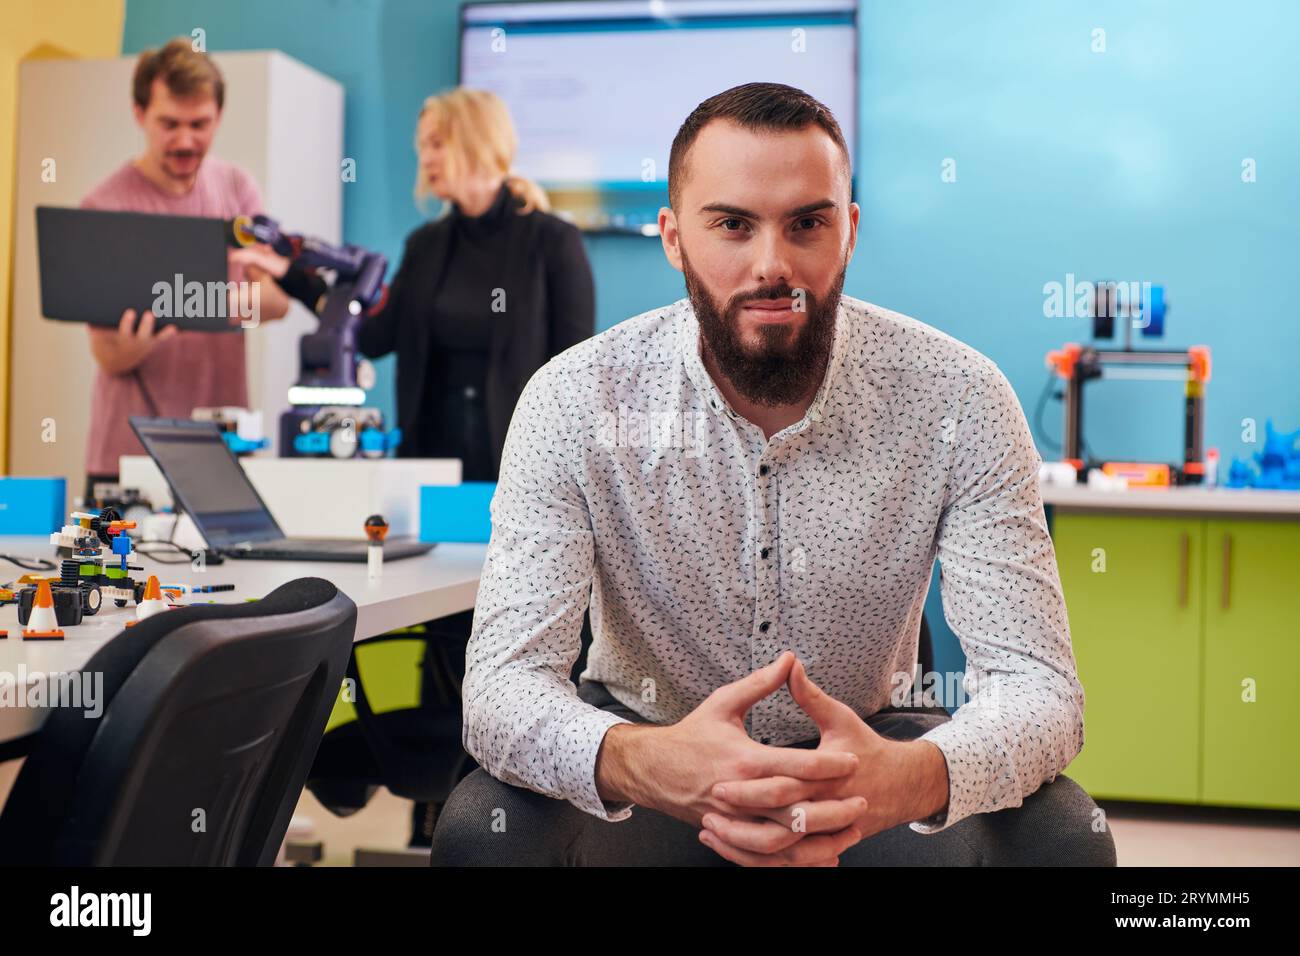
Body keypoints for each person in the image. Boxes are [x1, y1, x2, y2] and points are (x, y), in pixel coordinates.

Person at [429, 83, 1117, 866]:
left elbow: (1041, 689)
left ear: (849, 231)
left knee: (1061, 841)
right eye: (731, 224)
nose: (772, 265)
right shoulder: (573, 400)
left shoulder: (959, 397)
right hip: (652, 759)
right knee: (483, 831)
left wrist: (913, 777)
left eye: (807, 224)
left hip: (870, 762)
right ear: (673, 238)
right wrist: (641, 762)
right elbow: (499, 690)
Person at [80, 37, 291, 501]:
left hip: (222, 453)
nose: (185, 140)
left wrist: (185, 304)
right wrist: (144, 340)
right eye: (169, 124)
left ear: (218, 116)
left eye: (200, 124)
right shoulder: (105, 207)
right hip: (126, 456)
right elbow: (108, 355)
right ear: (139, 115)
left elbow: (275, 303)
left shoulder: (237, 188)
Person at [356, 86, 595, 479]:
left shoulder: (552, 241)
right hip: (427, 462)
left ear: (478, 142)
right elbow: (375, 337)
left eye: (437, 143)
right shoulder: (425, 245)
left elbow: (574, 371)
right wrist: (306, 284)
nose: (425, 158)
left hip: (523, 467)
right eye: (423, 146)